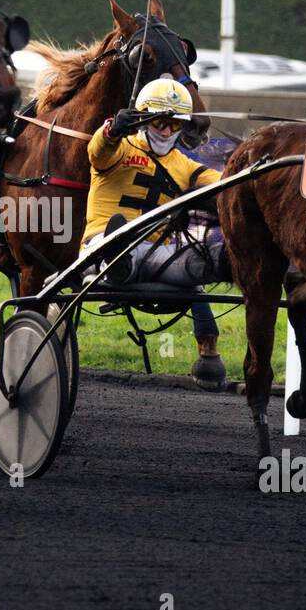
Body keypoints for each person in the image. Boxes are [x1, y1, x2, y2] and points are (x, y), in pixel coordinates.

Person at [82, 77, 230, 391]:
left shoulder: (186, 167)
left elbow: (224, 183)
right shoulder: (119, 148)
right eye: (159, 122)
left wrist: (254, 171)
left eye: (174, 125)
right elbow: (97, 151)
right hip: (101, 244)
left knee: (203, 259)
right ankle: (117, 258)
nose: (165, 131)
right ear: (143, 118)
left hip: (156, 255)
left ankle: (223, 268)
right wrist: (111, 129)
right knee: (120, 243)